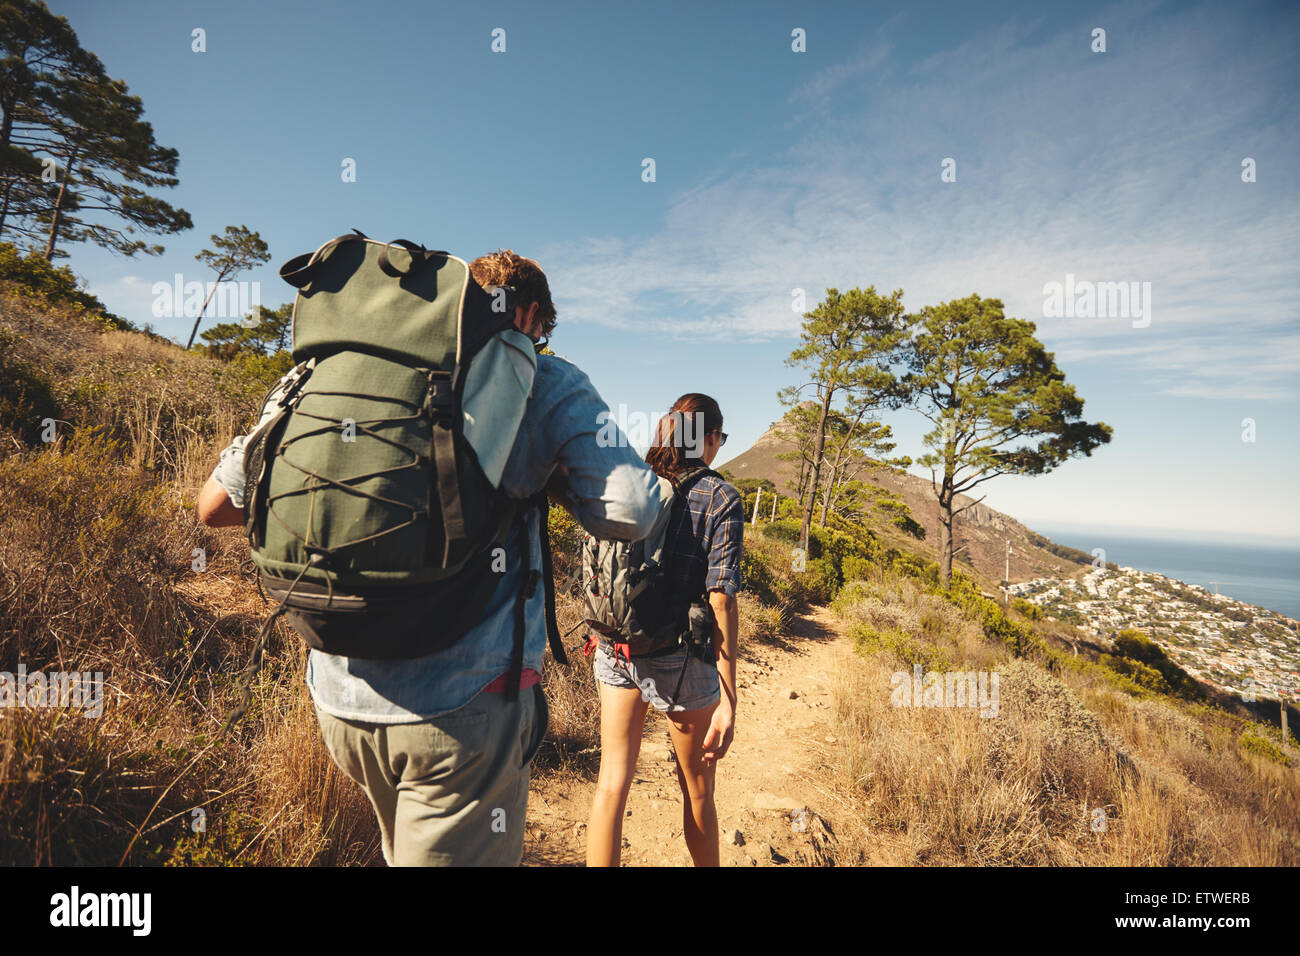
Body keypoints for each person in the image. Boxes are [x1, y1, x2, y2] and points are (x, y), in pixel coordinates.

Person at [197, 250, 659, 866]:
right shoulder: (543, 378)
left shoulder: (328, 367)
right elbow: (632, 509)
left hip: (338, 695)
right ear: (529, 314)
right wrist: (546, 478)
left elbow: (215, 506)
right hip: (462, 710)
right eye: (542, 331)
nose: (538, 343)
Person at [584, 393, 742, 867]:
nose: (719, 446)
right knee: (697, 789)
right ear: (709, 437)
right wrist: (729, 697)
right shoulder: (721, 497)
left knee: (611, 782)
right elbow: (721, 598)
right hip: (680, 658)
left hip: (616, 645)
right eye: (721, 437)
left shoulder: (634, 480)